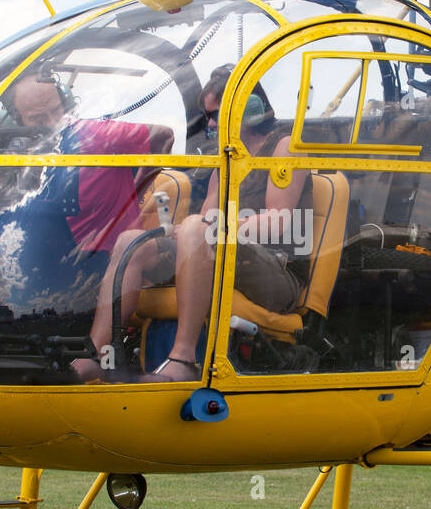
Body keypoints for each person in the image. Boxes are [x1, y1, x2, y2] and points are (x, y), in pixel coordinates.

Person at [76, 64, 311, 382]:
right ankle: (97, 355)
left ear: (249, 110)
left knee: (197, 229)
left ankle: (183, 359)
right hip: (229, 257)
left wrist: (212, 229)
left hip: (279, 274)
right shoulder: (225, 160)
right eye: (208, 116)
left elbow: (277, 223)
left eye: (216, 115)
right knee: (131, 241)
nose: (211, 124)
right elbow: (204, 221)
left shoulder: (283, 148)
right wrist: (194, 230)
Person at [0, 70, 174, 254]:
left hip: (108, 257)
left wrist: (134, 193)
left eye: (56, 110)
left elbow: (163, 136)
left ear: (65, 103)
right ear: (17, 121)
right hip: (50, 256)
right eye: (38, 119)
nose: (52, 124)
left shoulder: (94, 133)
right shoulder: (13, 158)